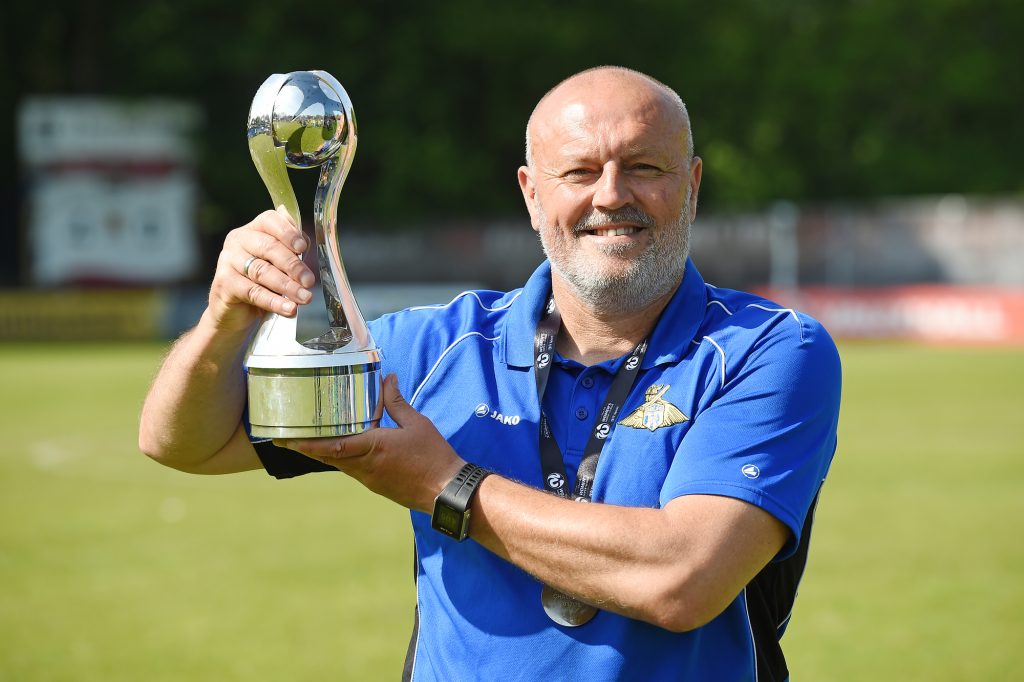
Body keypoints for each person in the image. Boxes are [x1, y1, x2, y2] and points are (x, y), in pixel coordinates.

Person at [140, 66, 841, 681]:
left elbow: (684, 580)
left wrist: (447, 487)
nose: (611, 194)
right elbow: (186, 441)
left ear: (690, 186)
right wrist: (224, 320)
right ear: (532, 195)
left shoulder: (767, 350)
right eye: (579, 171)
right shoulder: (434, 348)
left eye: (644, 167)